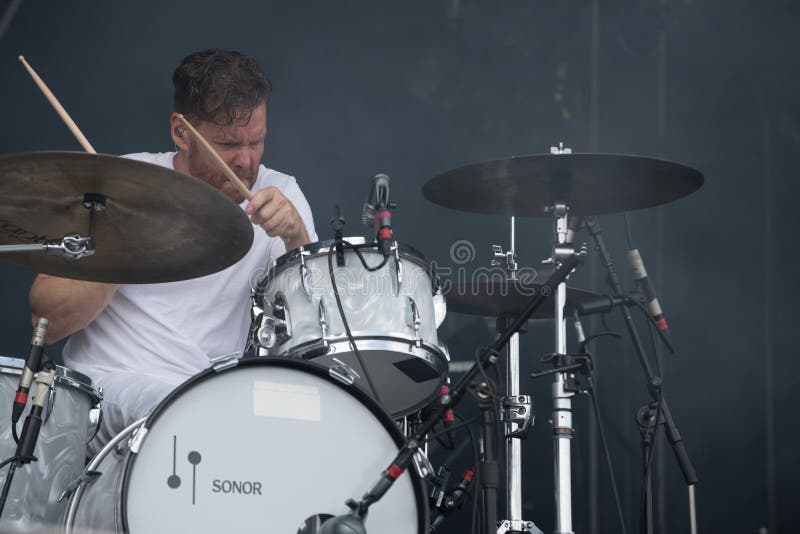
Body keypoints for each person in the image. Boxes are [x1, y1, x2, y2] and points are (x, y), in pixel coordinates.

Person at [29, 49, 317, 454]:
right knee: (180, 410)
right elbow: (47, 319)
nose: (247, 160)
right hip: (106, 387)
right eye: (229, 144)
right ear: (181, 132)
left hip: (207, 394)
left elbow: (315, 334)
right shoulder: (123, 181)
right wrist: (127, 240)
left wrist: (296, 237)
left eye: (258, 141)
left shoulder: (282, 194)